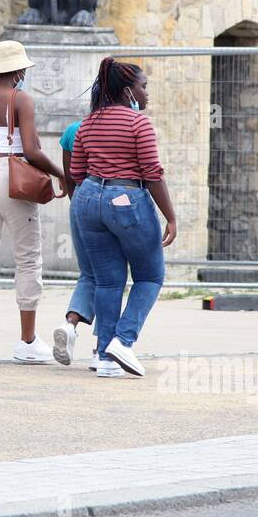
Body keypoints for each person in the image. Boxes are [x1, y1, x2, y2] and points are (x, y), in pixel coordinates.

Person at [0, 40, 66, 365]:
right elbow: (32, 151)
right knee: (28, 258)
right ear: (18, 70)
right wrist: (63, 174)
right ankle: (27, 341)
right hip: (11, 175)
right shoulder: (21, 99)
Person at [69, 58, 177, 378]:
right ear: (128, 91)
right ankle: (123, 340)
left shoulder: (88, 122)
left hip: (88, 199)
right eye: (144, 87)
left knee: (108, 280)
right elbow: (152, 174)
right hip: (126, 198)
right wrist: (170, 217)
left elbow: (76, 172)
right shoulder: (137, 123)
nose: (146, 94)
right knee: (150, 276)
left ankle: (104, 355)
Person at [54, 112, 98, 369]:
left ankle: (69, 324)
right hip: (116, 199)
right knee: (111, 279)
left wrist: (79, 204)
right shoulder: (130, 121)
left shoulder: (73, 130)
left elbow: (71, 177)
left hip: (81, 199)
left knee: (89, 274)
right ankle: (101, 348)